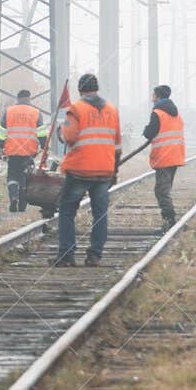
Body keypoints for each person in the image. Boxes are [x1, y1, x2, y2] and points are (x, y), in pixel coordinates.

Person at [56, 73, 122, 267]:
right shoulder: (112, 109)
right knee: (100, 214)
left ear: (80, 90)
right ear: (97, 88)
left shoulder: (75, 109)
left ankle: (67, 256)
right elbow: (118, 146)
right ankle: (95, 256)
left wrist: (61, 130)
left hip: (79, 170)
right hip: (104, 171)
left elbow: (68, 137)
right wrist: (114, 172)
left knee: (67, 211)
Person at [0, 88, 48, 212]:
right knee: (26, 176)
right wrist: (44, 147)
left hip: (12, 150)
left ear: (18, 99)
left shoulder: (9, 111)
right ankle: (22, 204)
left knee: (12, 176)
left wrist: (0, 147)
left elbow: (1, 132)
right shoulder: (35, 112)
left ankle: (13, 197)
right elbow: (41, 133)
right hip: (29, 151)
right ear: (29, 98)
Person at [143, 84, 186, 230]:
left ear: (158, 96)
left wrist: (145, 130)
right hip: (175, 155)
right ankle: (170, 220)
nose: (151, 98)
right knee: (164, 189)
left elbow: (150, 133)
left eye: (153, 95)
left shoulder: (158, 112)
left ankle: (171, 221)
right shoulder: (176, 113)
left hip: (164, 156)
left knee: (161, 190)